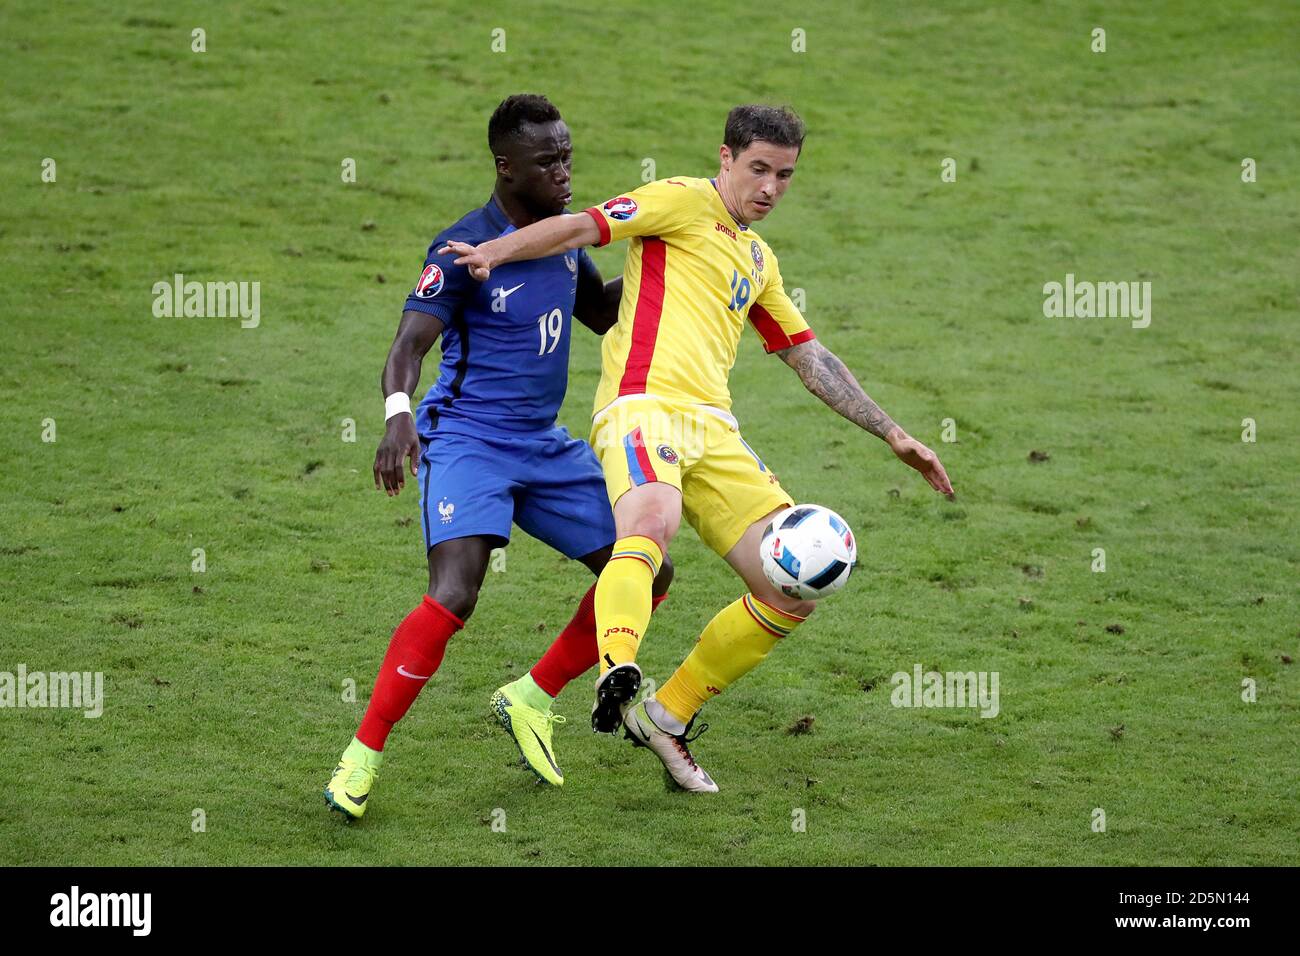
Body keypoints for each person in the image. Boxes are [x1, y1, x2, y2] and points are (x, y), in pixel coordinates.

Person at [440, 104, 953, 792]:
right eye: (759, 169)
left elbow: (809, 356)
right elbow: (582, 226)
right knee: (652, 523)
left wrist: (893, 432)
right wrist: (495, 251)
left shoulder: (758, 259)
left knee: (790, 587)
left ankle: (666, 715)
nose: (770, 187)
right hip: (642, 406)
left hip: (714, 431)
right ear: (726, 159)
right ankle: (617, 667)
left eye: (785, 175)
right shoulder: (679, 201)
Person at [324, 94, 671, 819]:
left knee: (648, 569)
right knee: (455, 592)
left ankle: (532, 697)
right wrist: (397, 422)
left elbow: (599, 312)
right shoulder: (460, 249)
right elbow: (407, 347)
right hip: (468, 442)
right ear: (506, 167)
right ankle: (361, 756)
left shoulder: (562, 239)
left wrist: (662, 259)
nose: (566, 173)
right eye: (549, 162)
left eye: (569, 156)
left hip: (542, 444)